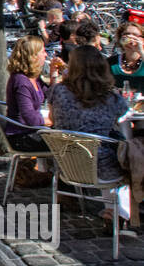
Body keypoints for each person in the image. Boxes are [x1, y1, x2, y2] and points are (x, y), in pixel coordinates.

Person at [47, 46, 132, 225]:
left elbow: (52, 119)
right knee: (126, 153)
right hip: (102, 167)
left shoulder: (58, 91)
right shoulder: (112, 98)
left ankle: (113, 211)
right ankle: (119, 213)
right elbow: (124, 119)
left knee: (106, 149)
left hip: (67, 163)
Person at [4, 36, 56, 187]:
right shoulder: (21, 82)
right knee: (65, 144)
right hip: (21, 136)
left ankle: (54, 179)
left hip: (30, 131)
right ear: (32, 56)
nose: (46, 55)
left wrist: (53, 73)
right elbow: (30, 119)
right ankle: (64, 186)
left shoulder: (33, 77)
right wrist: (53, 120)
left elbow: (50, 94)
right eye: (43, 52)